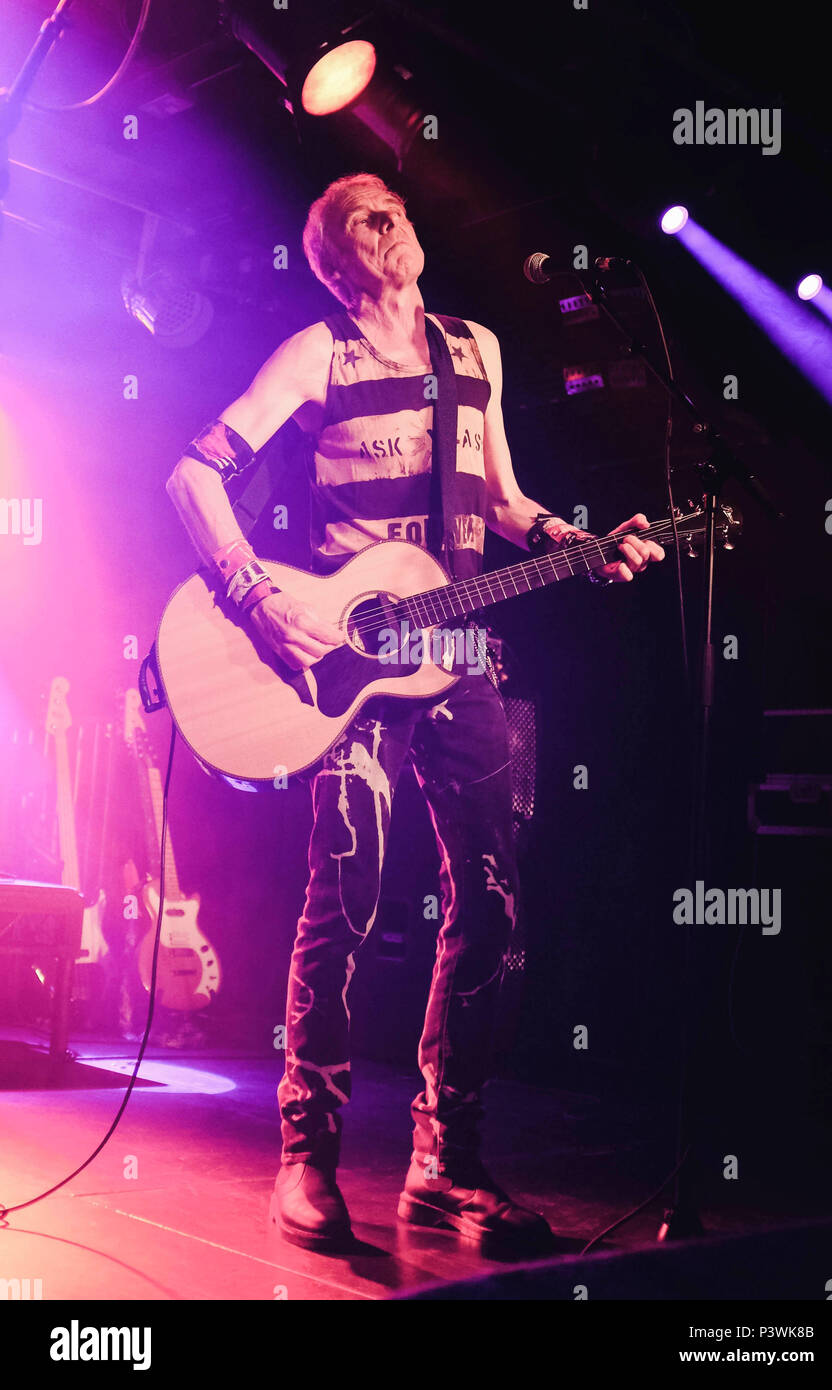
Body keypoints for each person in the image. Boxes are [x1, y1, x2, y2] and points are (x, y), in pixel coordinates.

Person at [166, 172, 664, 1255]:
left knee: (490, 909)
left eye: (393, 199)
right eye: (359, 212)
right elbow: (193, 477)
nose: (385, 214)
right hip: (353, 683)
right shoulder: (315, 356)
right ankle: (307, 1157)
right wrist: (256, 596)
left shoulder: (473, 347)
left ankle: (447, 1165)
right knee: (339, 904)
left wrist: (581, 544)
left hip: (461, 659)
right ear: (332, 262)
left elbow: (503, 499)